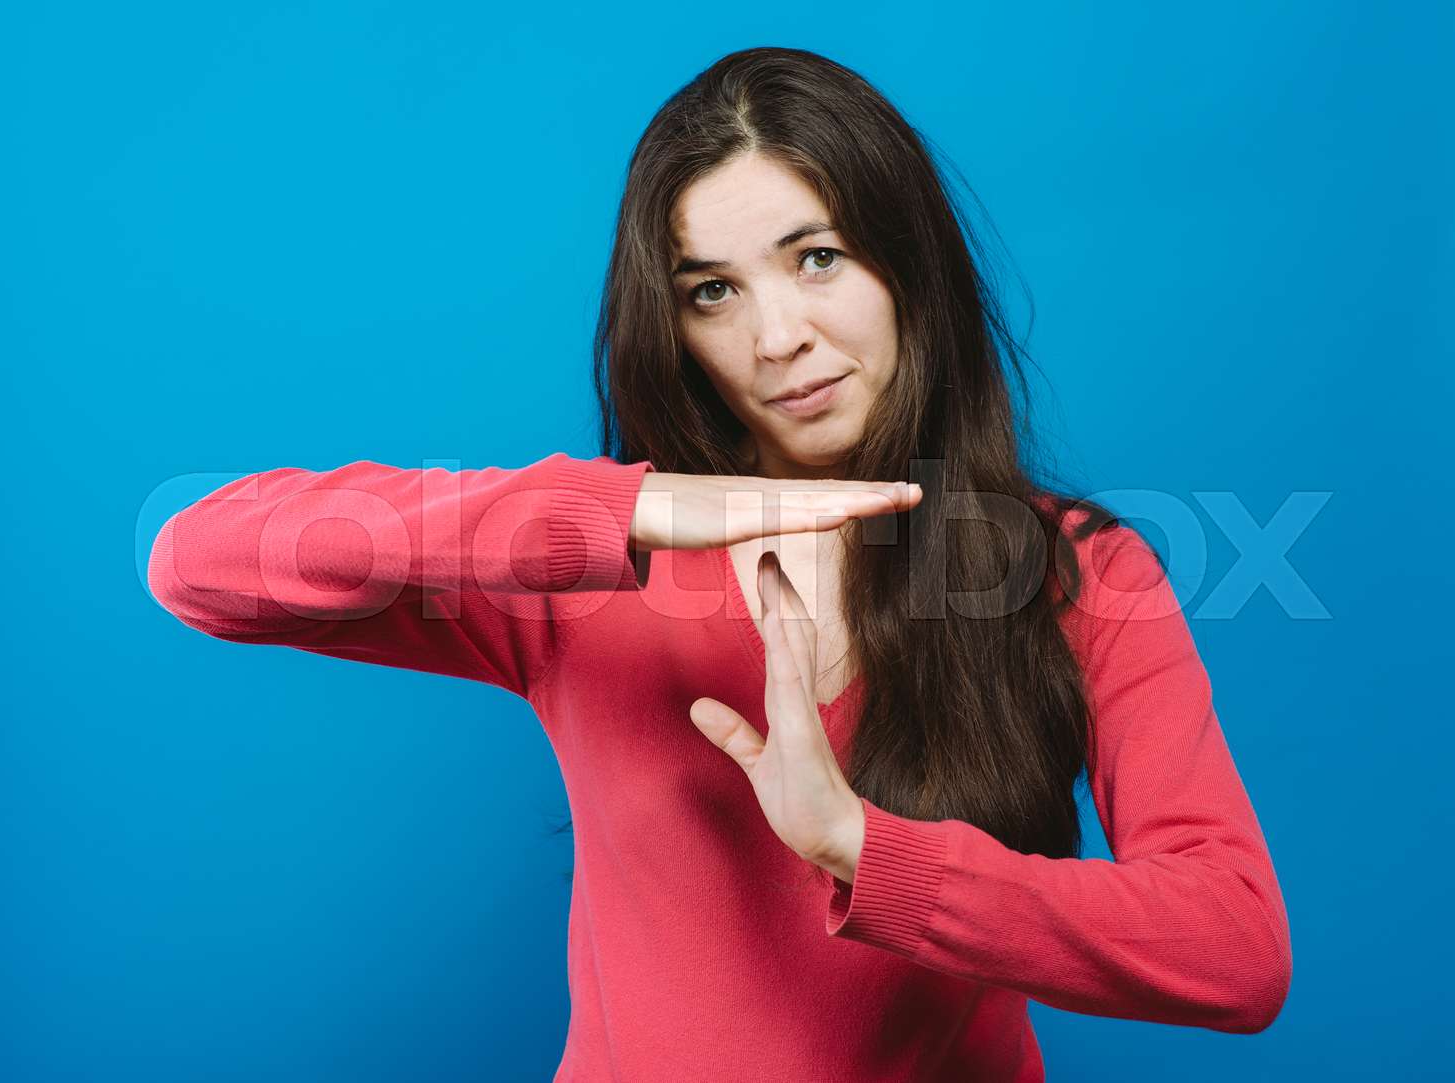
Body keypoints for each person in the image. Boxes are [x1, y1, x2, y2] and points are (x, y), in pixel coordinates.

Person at [148, 45, 1291, 1083]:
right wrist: (623, 509)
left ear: (910, 269)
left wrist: (860, 849)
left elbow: (1235, 954)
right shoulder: (594, 563)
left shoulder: (1072, 571)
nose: (776, 336)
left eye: (819, 258)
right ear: (672, 325)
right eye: (713, 291)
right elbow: (197, 562)